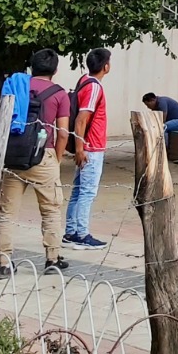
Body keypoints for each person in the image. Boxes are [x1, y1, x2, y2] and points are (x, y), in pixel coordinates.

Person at [0, 49, 70, 279]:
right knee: (50, 210)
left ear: (32, 67)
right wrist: (55, 158)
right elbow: (64, 133)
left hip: (14, 156)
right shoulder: (60, 95)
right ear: (55, 70)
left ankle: (4, 263)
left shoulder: (17, 87)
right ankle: (52, 259)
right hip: (43, 154)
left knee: (7, 212)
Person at [64, 48, 111, 250]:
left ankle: (71, 231)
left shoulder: (83, 81)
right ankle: (82, 234)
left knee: (78, 191)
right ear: (106, 66)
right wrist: (80, 148)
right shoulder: (94, 88)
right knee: (87, 192)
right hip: (92, 146)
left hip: (86, 145)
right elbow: (82, 119)